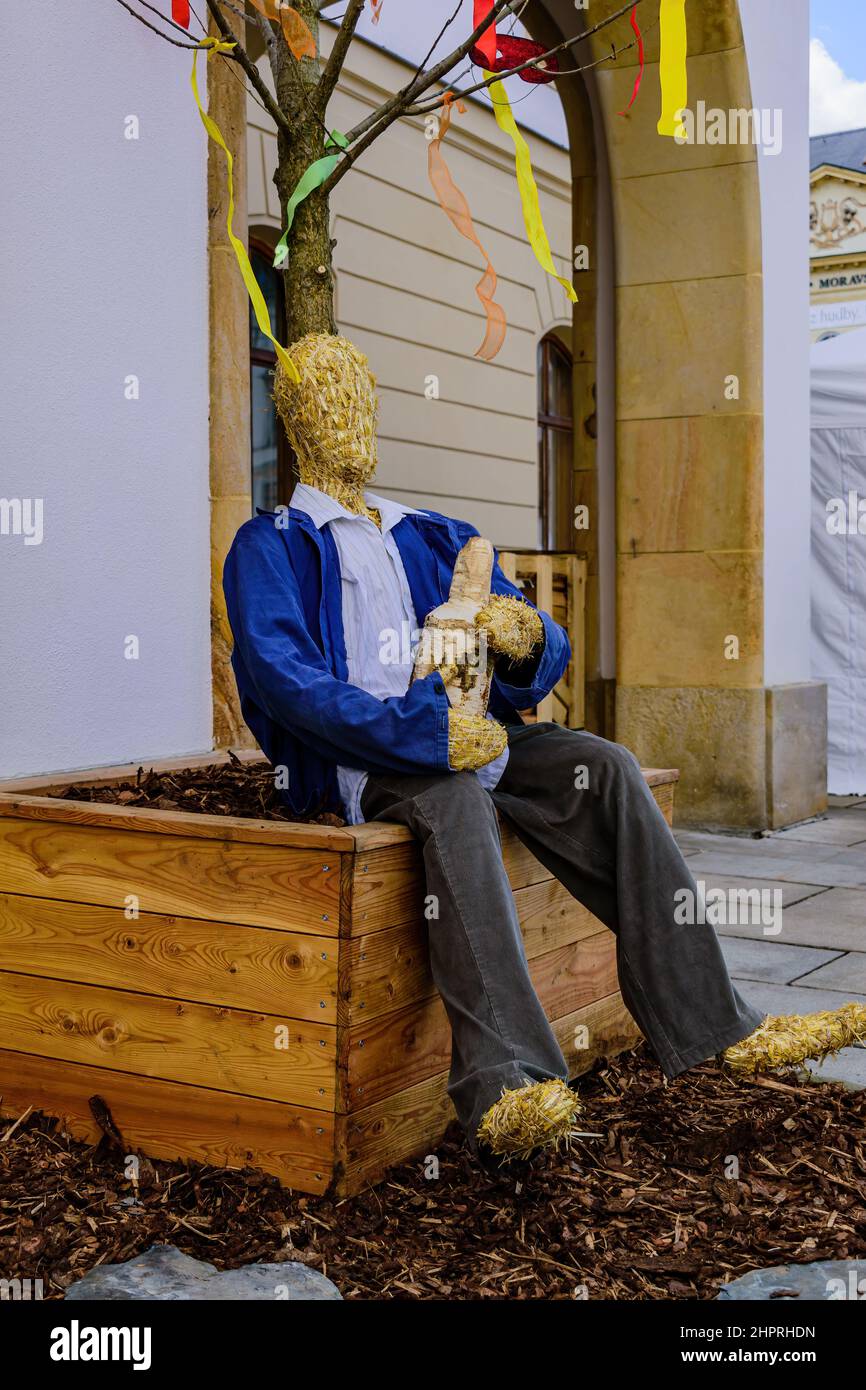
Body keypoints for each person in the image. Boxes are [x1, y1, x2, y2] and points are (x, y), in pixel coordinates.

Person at [224, 333, 866, 1159]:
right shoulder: (270, 544)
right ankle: (511, 1083)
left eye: (358, 397)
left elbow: (541, 649)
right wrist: (422, 733)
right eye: (323, 400)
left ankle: (718, 1026)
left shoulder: (429, 533)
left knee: (604, 767)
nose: (347, 416)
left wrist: (521, 634)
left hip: (478, 735)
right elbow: (286, 682)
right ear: (296, 422)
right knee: (450, 799)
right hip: (367, 761)